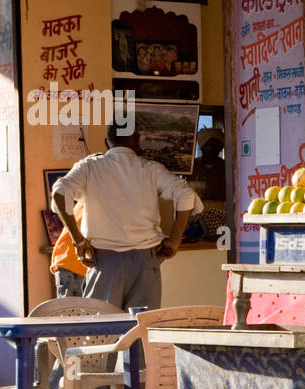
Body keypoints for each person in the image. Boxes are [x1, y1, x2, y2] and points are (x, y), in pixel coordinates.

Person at [51, 123, 199, 311]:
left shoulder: (89, 167)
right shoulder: (151, 169)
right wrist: (175, 240)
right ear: (136, 141)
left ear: (107, 143)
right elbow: (186, 195)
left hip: (104, 263)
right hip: (145, 262)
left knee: (102, 332)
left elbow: (59, 194)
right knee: (140, 329)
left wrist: (78, 241)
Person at [50, 201, 87, 298]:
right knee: (73, 310)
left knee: (71, 310)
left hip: (70, 260)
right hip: (73, 263)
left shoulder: (86, 200)